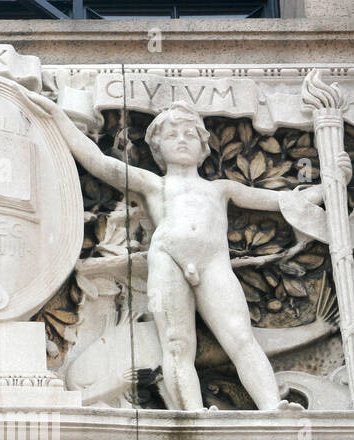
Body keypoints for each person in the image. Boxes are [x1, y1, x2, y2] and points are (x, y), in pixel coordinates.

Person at [29, 94, 336, 412]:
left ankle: (274, 408)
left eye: (190, 134)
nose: (182, 140)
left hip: (213, 262)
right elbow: (100, 163)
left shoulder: (220, 189)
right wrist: (57, 115)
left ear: (204, 147)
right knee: (177, 344)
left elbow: (279, 201)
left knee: (241, 338)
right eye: (172, 134)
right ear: (157, 147)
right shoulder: (153, 184)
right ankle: (193, 413)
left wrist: (331, 183)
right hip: (168, 259)